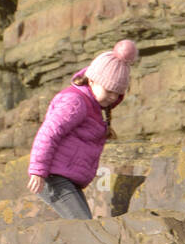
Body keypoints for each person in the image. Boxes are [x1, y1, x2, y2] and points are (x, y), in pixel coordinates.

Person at [27, 41, 138, 219]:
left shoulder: (93, 107)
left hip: (66, 179)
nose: (112, 97)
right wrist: (38, 170)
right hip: (53, 178)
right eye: (108, 90)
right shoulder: (75, 102)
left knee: (85, 228)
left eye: (117, 93)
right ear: (92, 80)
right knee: (85, 227)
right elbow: (48, 133)